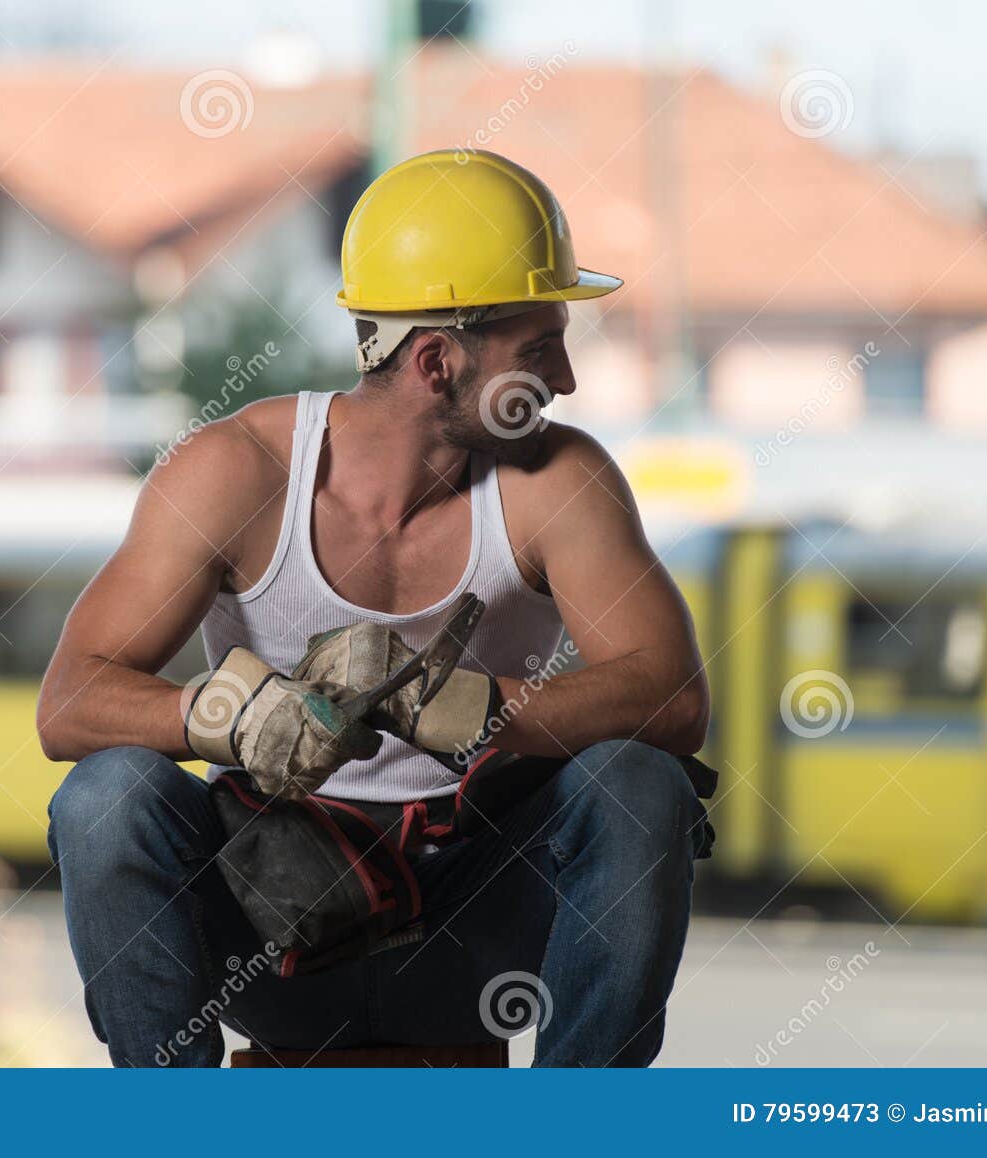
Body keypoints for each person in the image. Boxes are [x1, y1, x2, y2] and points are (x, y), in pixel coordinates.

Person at [37, 149, 712, 1067]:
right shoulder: (237, 472)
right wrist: (228, 717)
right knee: (106, 795)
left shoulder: (560, 480)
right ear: (437, 359)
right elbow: (68, 704)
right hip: (278, 916)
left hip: (476, 933)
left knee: (640, 784)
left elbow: (674, 699)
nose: (565, 380)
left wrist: (484, 707)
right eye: (539, 348)